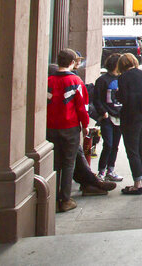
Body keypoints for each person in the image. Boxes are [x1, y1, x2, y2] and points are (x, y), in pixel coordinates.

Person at [46, 48, 89, 212]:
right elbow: (82, 107)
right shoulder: (75, 81)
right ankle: (65, 199)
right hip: (70, 127)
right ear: (72, 62)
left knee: (55, 164)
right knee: (68, 163)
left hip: (50, 127)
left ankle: (53, 199)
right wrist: (85, 126)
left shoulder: (48, 81)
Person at [115, 52, 142, 195]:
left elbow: (124, 98)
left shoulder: (123, 78)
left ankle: (136, 184)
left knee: (133, 151)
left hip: (132, 119)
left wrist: (117, 94)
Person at [94, 53, 123, 182]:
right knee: (108, 144)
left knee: (115, 145)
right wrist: (103, 112)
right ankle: (101, 171)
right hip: (107, 116)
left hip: (119, 116)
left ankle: (110, 169)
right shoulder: (102, 80)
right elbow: (97, 99)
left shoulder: (123, 78)